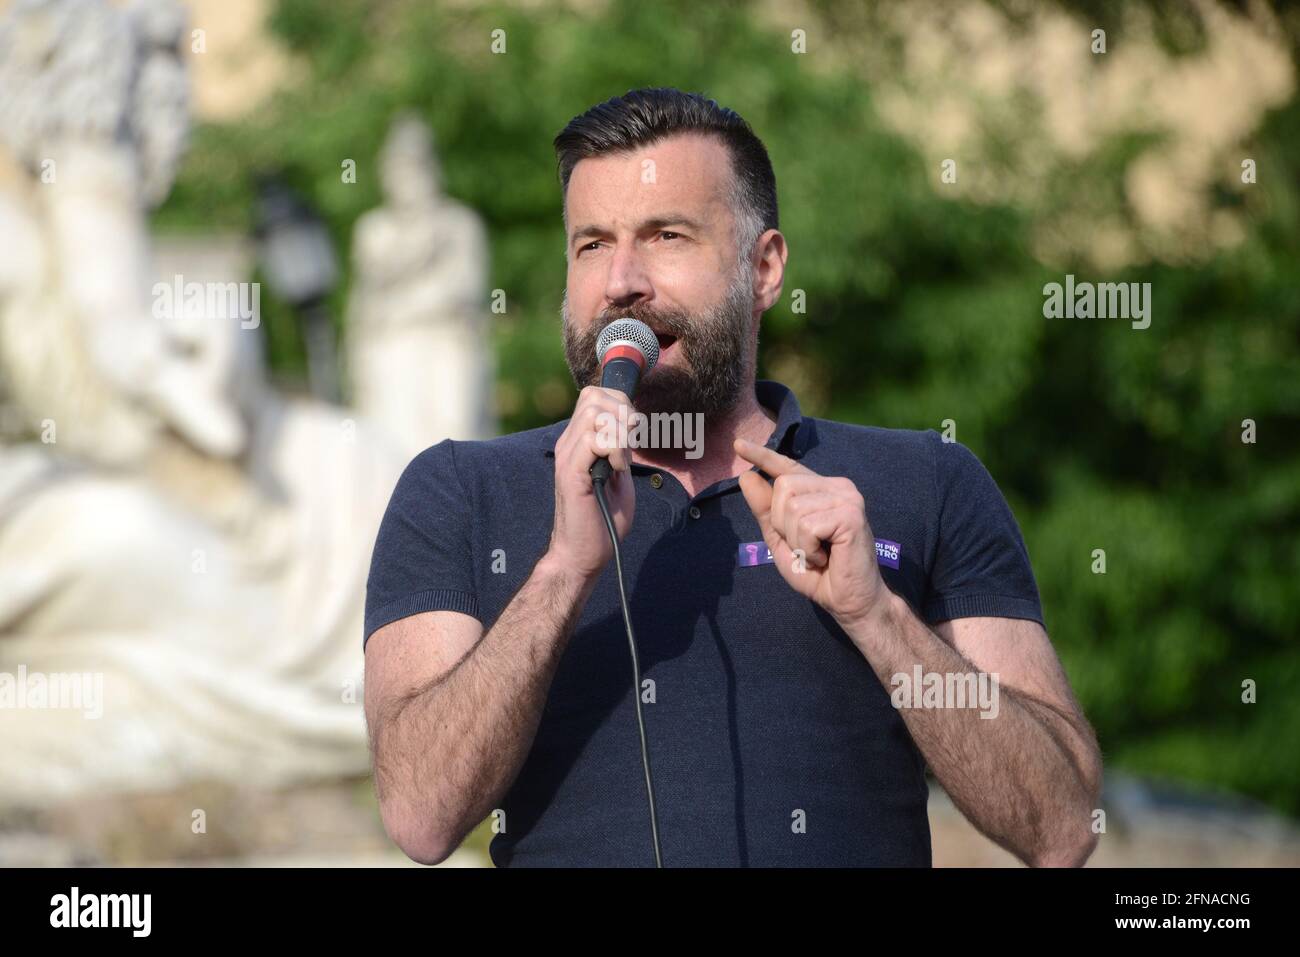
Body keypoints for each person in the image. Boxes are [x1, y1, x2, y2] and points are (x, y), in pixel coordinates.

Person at [362, 87, 1102, 867]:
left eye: (665, 236)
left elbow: (1061, 826)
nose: (620, 281)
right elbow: (418, 814)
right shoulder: (458, 489)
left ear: (765, 267)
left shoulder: (925, 479)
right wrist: (561, 573)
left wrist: (879, 618)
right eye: (590, 245)